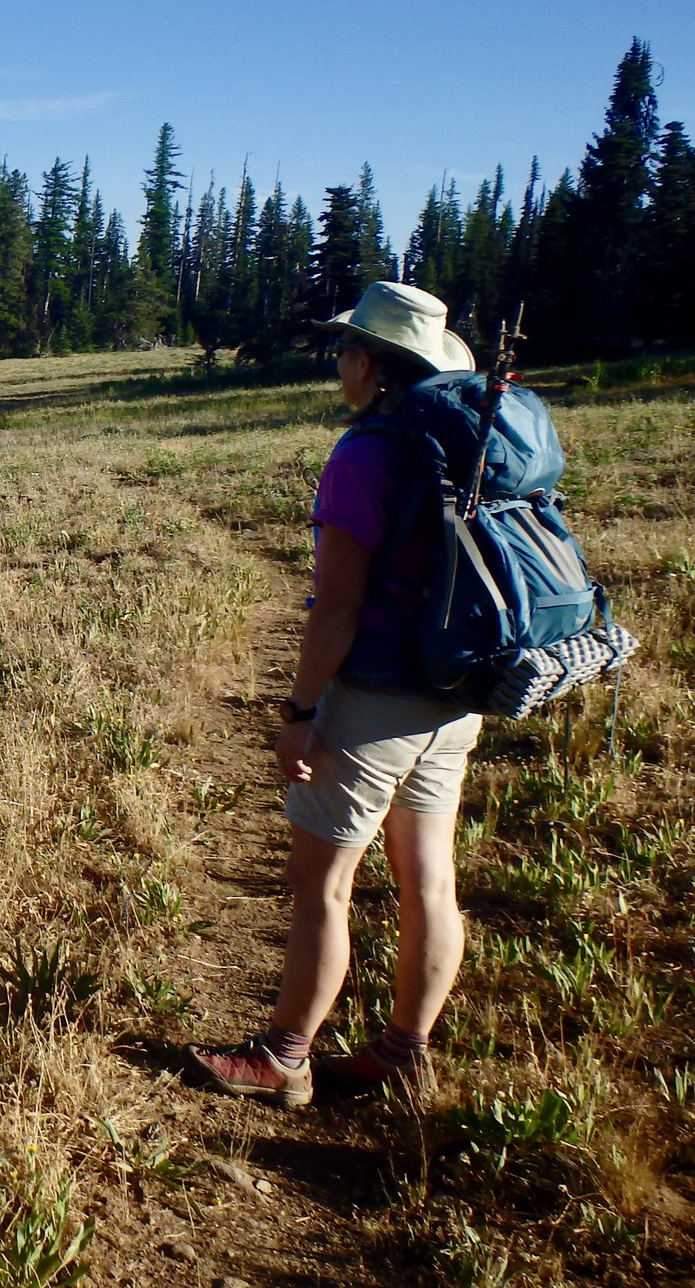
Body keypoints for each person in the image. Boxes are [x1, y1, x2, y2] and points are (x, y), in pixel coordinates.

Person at [186, 281, 481, 1107]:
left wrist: (302, 712)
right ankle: (405, 1054)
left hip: (376, 695)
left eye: (345, 349)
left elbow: (339, 605)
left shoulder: (367, 454)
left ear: (372, 364)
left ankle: (285, 1055)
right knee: (430, 882)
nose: (339, 362)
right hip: (456, 692)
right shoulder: (464, 442)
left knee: (324, 883)